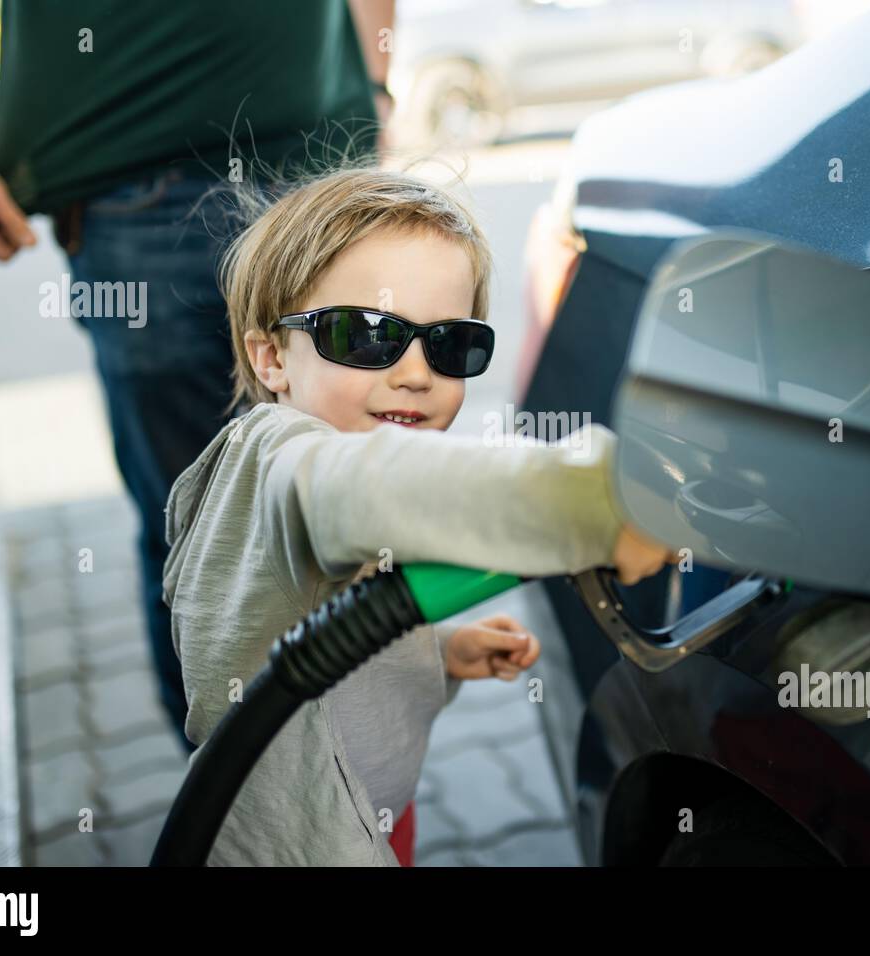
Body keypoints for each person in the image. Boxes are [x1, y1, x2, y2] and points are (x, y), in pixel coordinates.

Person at [0, 0, 396, 751]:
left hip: (319, 167)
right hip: (138, 196)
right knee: (198, 528)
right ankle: (227, 800)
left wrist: (377, 86)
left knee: (345, 505)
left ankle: (350, 769)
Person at [162, 164, 675, 865]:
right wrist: (596, 501)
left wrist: (436, 654)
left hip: (365, 816)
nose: (413, 372)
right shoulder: (286, 460)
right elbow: (377, 486)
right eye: (369, 335)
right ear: (271, 357)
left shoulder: (334, 451)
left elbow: (324, 628)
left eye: (447, 344)